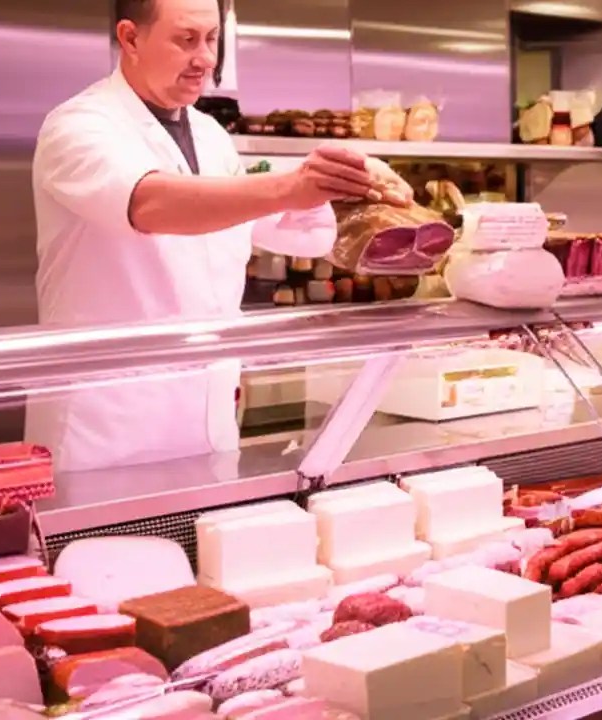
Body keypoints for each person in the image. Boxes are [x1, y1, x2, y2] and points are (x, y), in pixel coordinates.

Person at [26, 0, 411, 472]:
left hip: (207, 421)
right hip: (108, 431)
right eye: (186, 39)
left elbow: (273, 224)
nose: (207, 58)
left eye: (212, 39)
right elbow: (150, 203)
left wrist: (348, 190)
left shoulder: (210, 136)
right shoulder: (79, 125)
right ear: (130, 38)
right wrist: (290, 186)